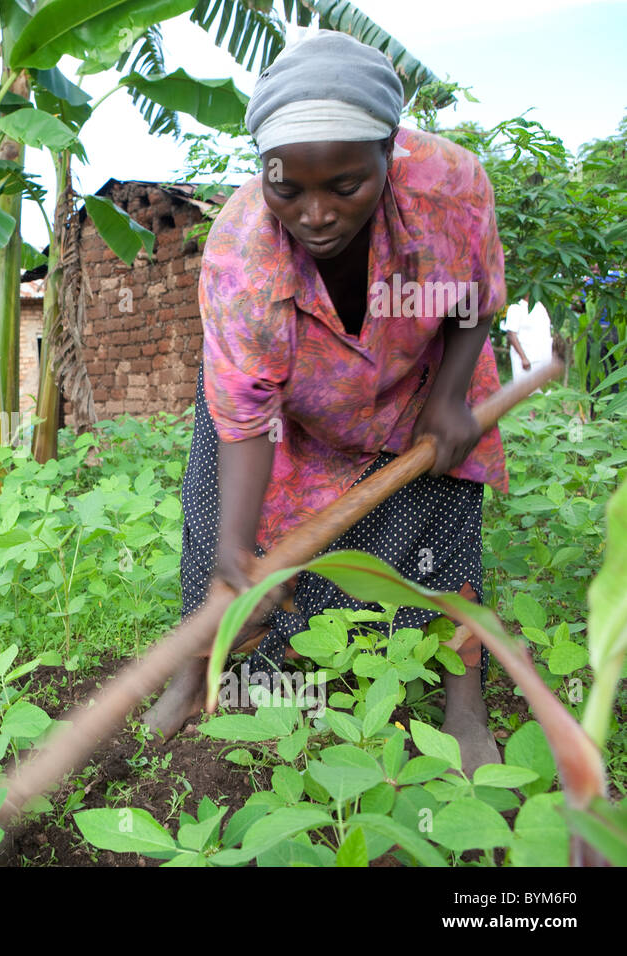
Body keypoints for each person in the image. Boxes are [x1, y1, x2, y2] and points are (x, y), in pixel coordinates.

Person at [144, 30, 509, 774]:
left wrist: (448, 398)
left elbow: (475, 295)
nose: (315, 214)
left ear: (389, 153)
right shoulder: (240, 256)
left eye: (345, 186)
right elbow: (245, 412)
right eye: (289, 189)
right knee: (221, 537)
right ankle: (196, 677)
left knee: (444, 540)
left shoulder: (449, 186)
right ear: (263, 173)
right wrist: (236, 550)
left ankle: (462, 699)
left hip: (418, 377)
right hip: (282, 396)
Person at [500, 296, 552, 379]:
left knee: (544, 390)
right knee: (526, 389)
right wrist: (523, 358)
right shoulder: (516, 308)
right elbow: (511, 335)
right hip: (528, 359)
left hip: (543, 359)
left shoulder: (541, 306)